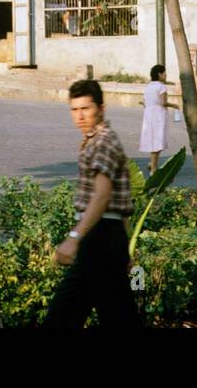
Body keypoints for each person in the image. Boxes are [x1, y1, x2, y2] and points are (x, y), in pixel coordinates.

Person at [44, 79, 139, 328]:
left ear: (101, 108)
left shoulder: (102, 142)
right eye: (74, 110)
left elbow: (102, 196)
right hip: (104, 239)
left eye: (86, 108)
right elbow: (121, 204)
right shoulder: (94, 140)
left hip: (100, 239)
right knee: (64, 314)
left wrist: (74, 238)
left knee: (111, 317)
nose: (80, 116)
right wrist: (125, 250)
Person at [138, 64, 179, 173]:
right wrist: (175, 106)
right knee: (158, 141)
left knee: (154, 140)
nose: (166, 75)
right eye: (164, 73)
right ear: (159, 74)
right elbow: (163, 102)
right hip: (158, 116)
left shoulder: (148, 87)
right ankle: (153, 169)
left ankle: (152, 163)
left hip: (149, 114)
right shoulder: (161, 87)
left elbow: (145, 101)